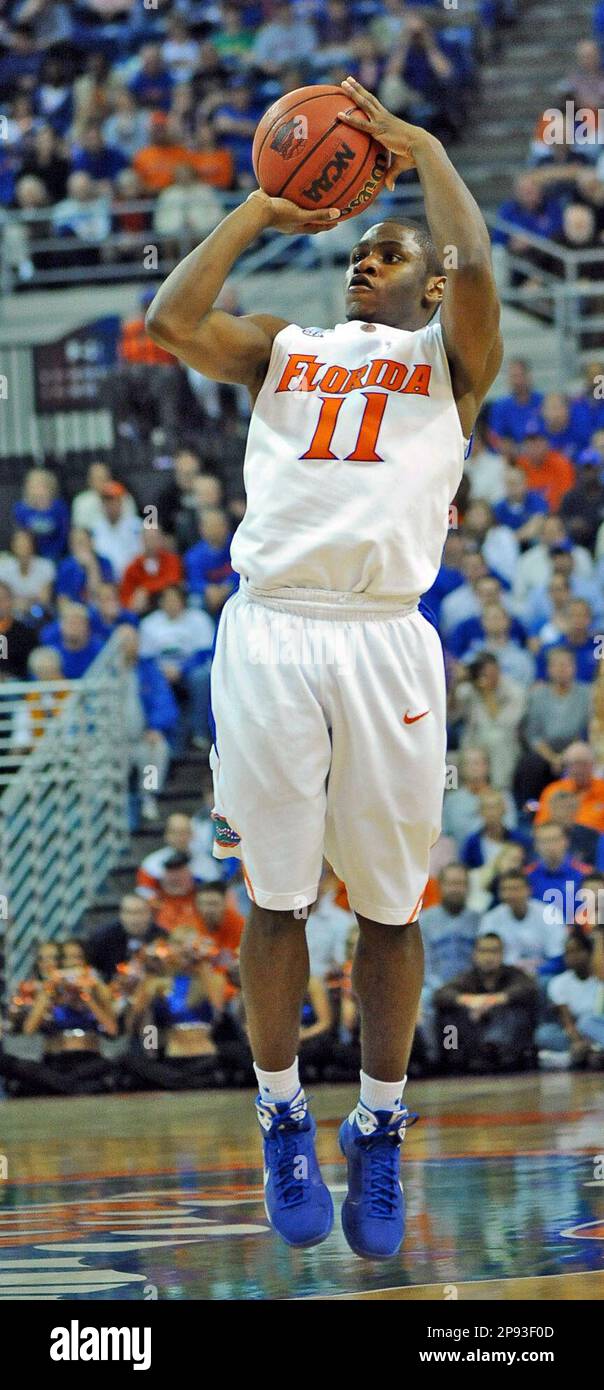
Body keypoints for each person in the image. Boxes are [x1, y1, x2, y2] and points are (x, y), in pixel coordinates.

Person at [146, 77, 502, 1259]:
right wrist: (259, 209)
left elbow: (482, 272)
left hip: (386, 633)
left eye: (390, 249)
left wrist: (422, 148)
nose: (365, 259)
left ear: (430, 283)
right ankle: (283, 1108)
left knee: (391, 909)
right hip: (273, 627)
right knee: (276, 894)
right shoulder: (284, 352)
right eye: (356, 248)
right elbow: (169, 320)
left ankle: (384, 1125)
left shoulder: (451, 361)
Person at [434, 932, 538, 1073]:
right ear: (474, 954)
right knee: (449, 1017)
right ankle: (452, 1062)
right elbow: (442, 994)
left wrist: (492, 1001)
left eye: (494, 951)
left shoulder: (513, 974)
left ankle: (500, 1054)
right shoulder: (467, 977)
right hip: (472, 1039)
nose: (488, 957)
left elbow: (528, 988)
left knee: (516, 1012)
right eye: (483, 951)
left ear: (502, 954)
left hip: (507, 1048)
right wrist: (470, 1001)